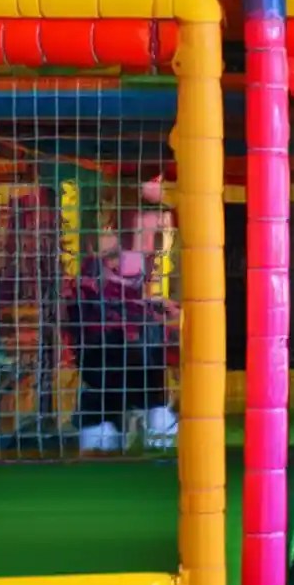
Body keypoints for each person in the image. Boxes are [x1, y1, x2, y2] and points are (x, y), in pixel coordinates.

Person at [66, 177, 179, 451]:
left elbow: (130, 288)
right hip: (106, 337)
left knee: (124, 384)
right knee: (121, 383)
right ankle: (144, 428)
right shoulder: (115, 252)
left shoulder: (133, 257)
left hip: (110, 339)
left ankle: (139, 428)